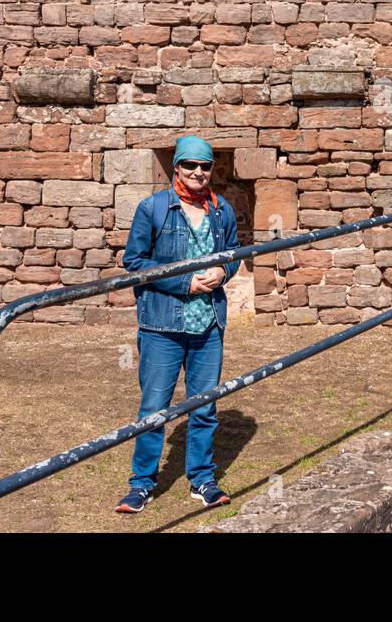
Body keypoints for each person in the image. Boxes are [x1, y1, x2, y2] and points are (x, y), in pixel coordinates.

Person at [114, 136, 241, 514]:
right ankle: (141, 485)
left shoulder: (222, 211)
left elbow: (235, 254)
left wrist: (224, 270)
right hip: (163, 325)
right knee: (154, 407)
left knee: (204, 406)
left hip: (208, 323)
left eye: (205, 166)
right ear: (176, 168)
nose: (198, 173)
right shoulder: (153, 208)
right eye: (190, 165)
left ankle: (202, 478)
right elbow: (134, 263)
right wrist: (184, 282)